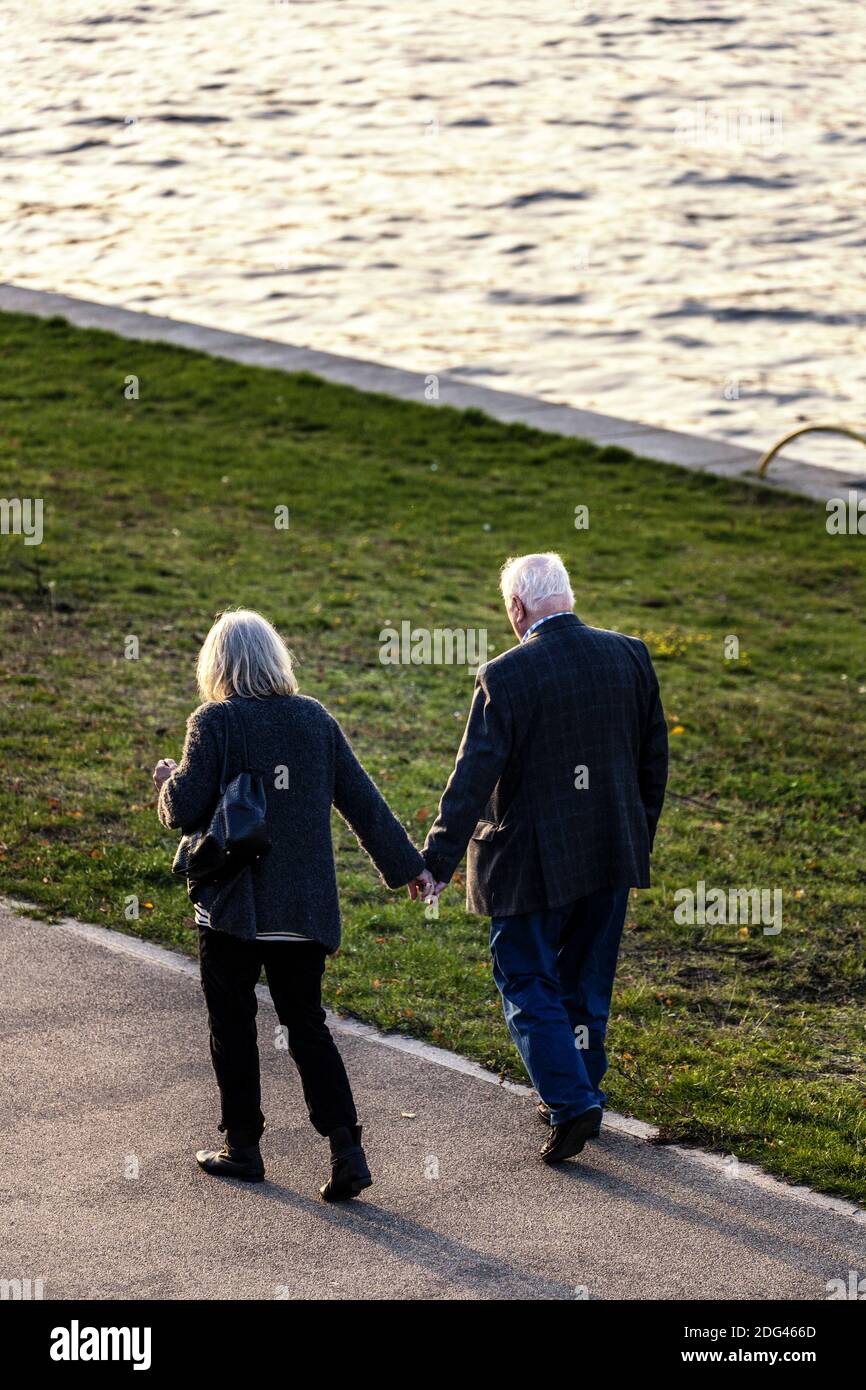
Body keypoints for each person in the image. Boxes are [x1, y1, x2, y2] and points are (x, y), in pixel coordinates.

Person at [153, 608, 433, 1199]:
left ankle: (244, 1148)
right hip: (303, 911)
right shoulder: (314, 720)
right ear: (276, 659)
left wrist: (166, 779)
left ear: (218, 664)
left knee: (233, 1026)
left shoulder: (215, 722)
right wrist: (408, 868)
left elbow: (182, 810)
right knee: (307, 1027)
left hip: (234, 911)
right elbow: (363, 801)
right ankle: (346, 1149)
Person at [422, 553, 668, 1163]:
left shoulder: (506, 676)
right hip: (611, 852)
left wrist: (438, 859)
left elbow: (472, 778)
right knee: (586, 981)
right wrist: (635, 837)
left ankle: (570, 1102)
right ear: (567, 594)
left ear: (517, 608)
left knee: (527, 977)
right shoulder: (629, 654)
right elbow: (652, 764)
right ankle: (583, 1089)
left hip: (532, 862)